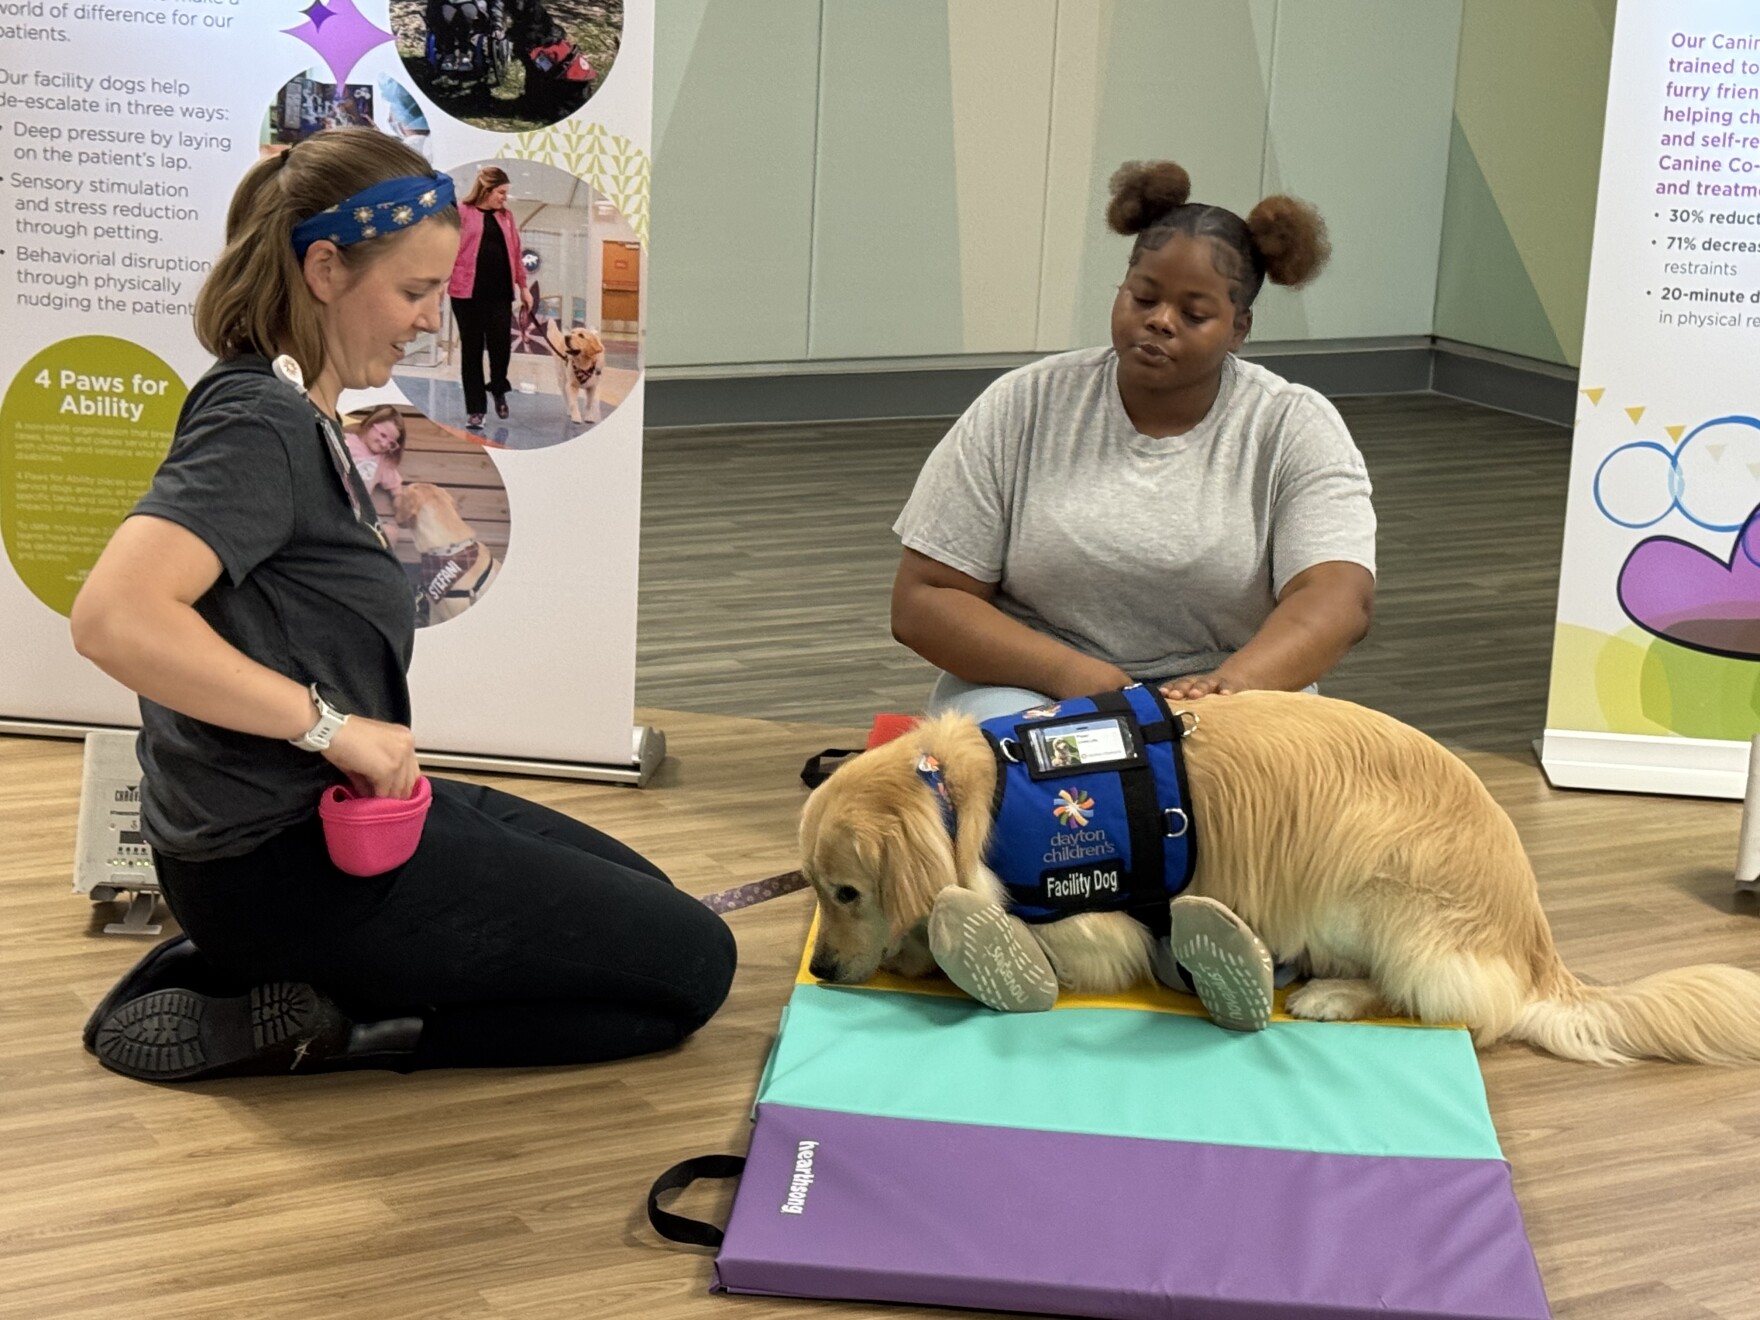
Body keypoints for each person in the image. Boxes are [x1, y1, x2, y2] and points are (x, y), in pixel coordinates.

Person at [69, 128, 735, 1082]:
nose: (432, 321)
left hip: (325, 829)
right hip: (289, 866)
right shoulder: (257, 422)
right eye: (417, 292)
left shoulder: (293, 407)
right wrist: (332, 728)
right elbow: (114, 619)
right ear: (326, 268)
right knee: (692, 970)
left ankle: (241, 970)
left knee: (651, 899)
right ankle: (344, 1025)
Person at [890, 160, 1376, 1031]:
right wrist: (1084, 678)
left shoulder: (1293, 424)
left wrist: (1230, 689)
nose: (1158, 322)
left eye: (1194, 313)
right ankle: (1131, 945)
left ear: (1241, 328)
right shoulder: (1024, 404)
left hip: (1224, 702)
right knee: (1008, 780)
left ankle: (1109, 942)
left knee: (1262, 815)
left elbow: (1335, 596)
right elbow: (926, 596)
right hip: (1046, 691)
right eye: (1141, 296)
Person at [448, 164, 531, 429]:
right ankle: (475, 410)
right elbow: (448, 248)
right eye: (501, 192)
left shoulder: (506, 217)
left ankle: (497, 387)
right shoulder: (461, 212)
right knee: (471, 352)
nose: (504, 198)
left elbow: (516, 253)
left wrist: (524, 287)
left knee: (500, 347)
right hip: (466, 293)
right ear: (487, 189)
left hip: (499, 294)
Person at [344, 404, 405, 499]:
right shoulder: (345, 441)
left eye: (391, 443)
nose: (384, 444)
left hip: (356, 509)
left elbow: (396, 486)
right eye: (383, 435)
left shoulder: (382, 462)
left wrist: (399, 500)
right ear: (370, 424)